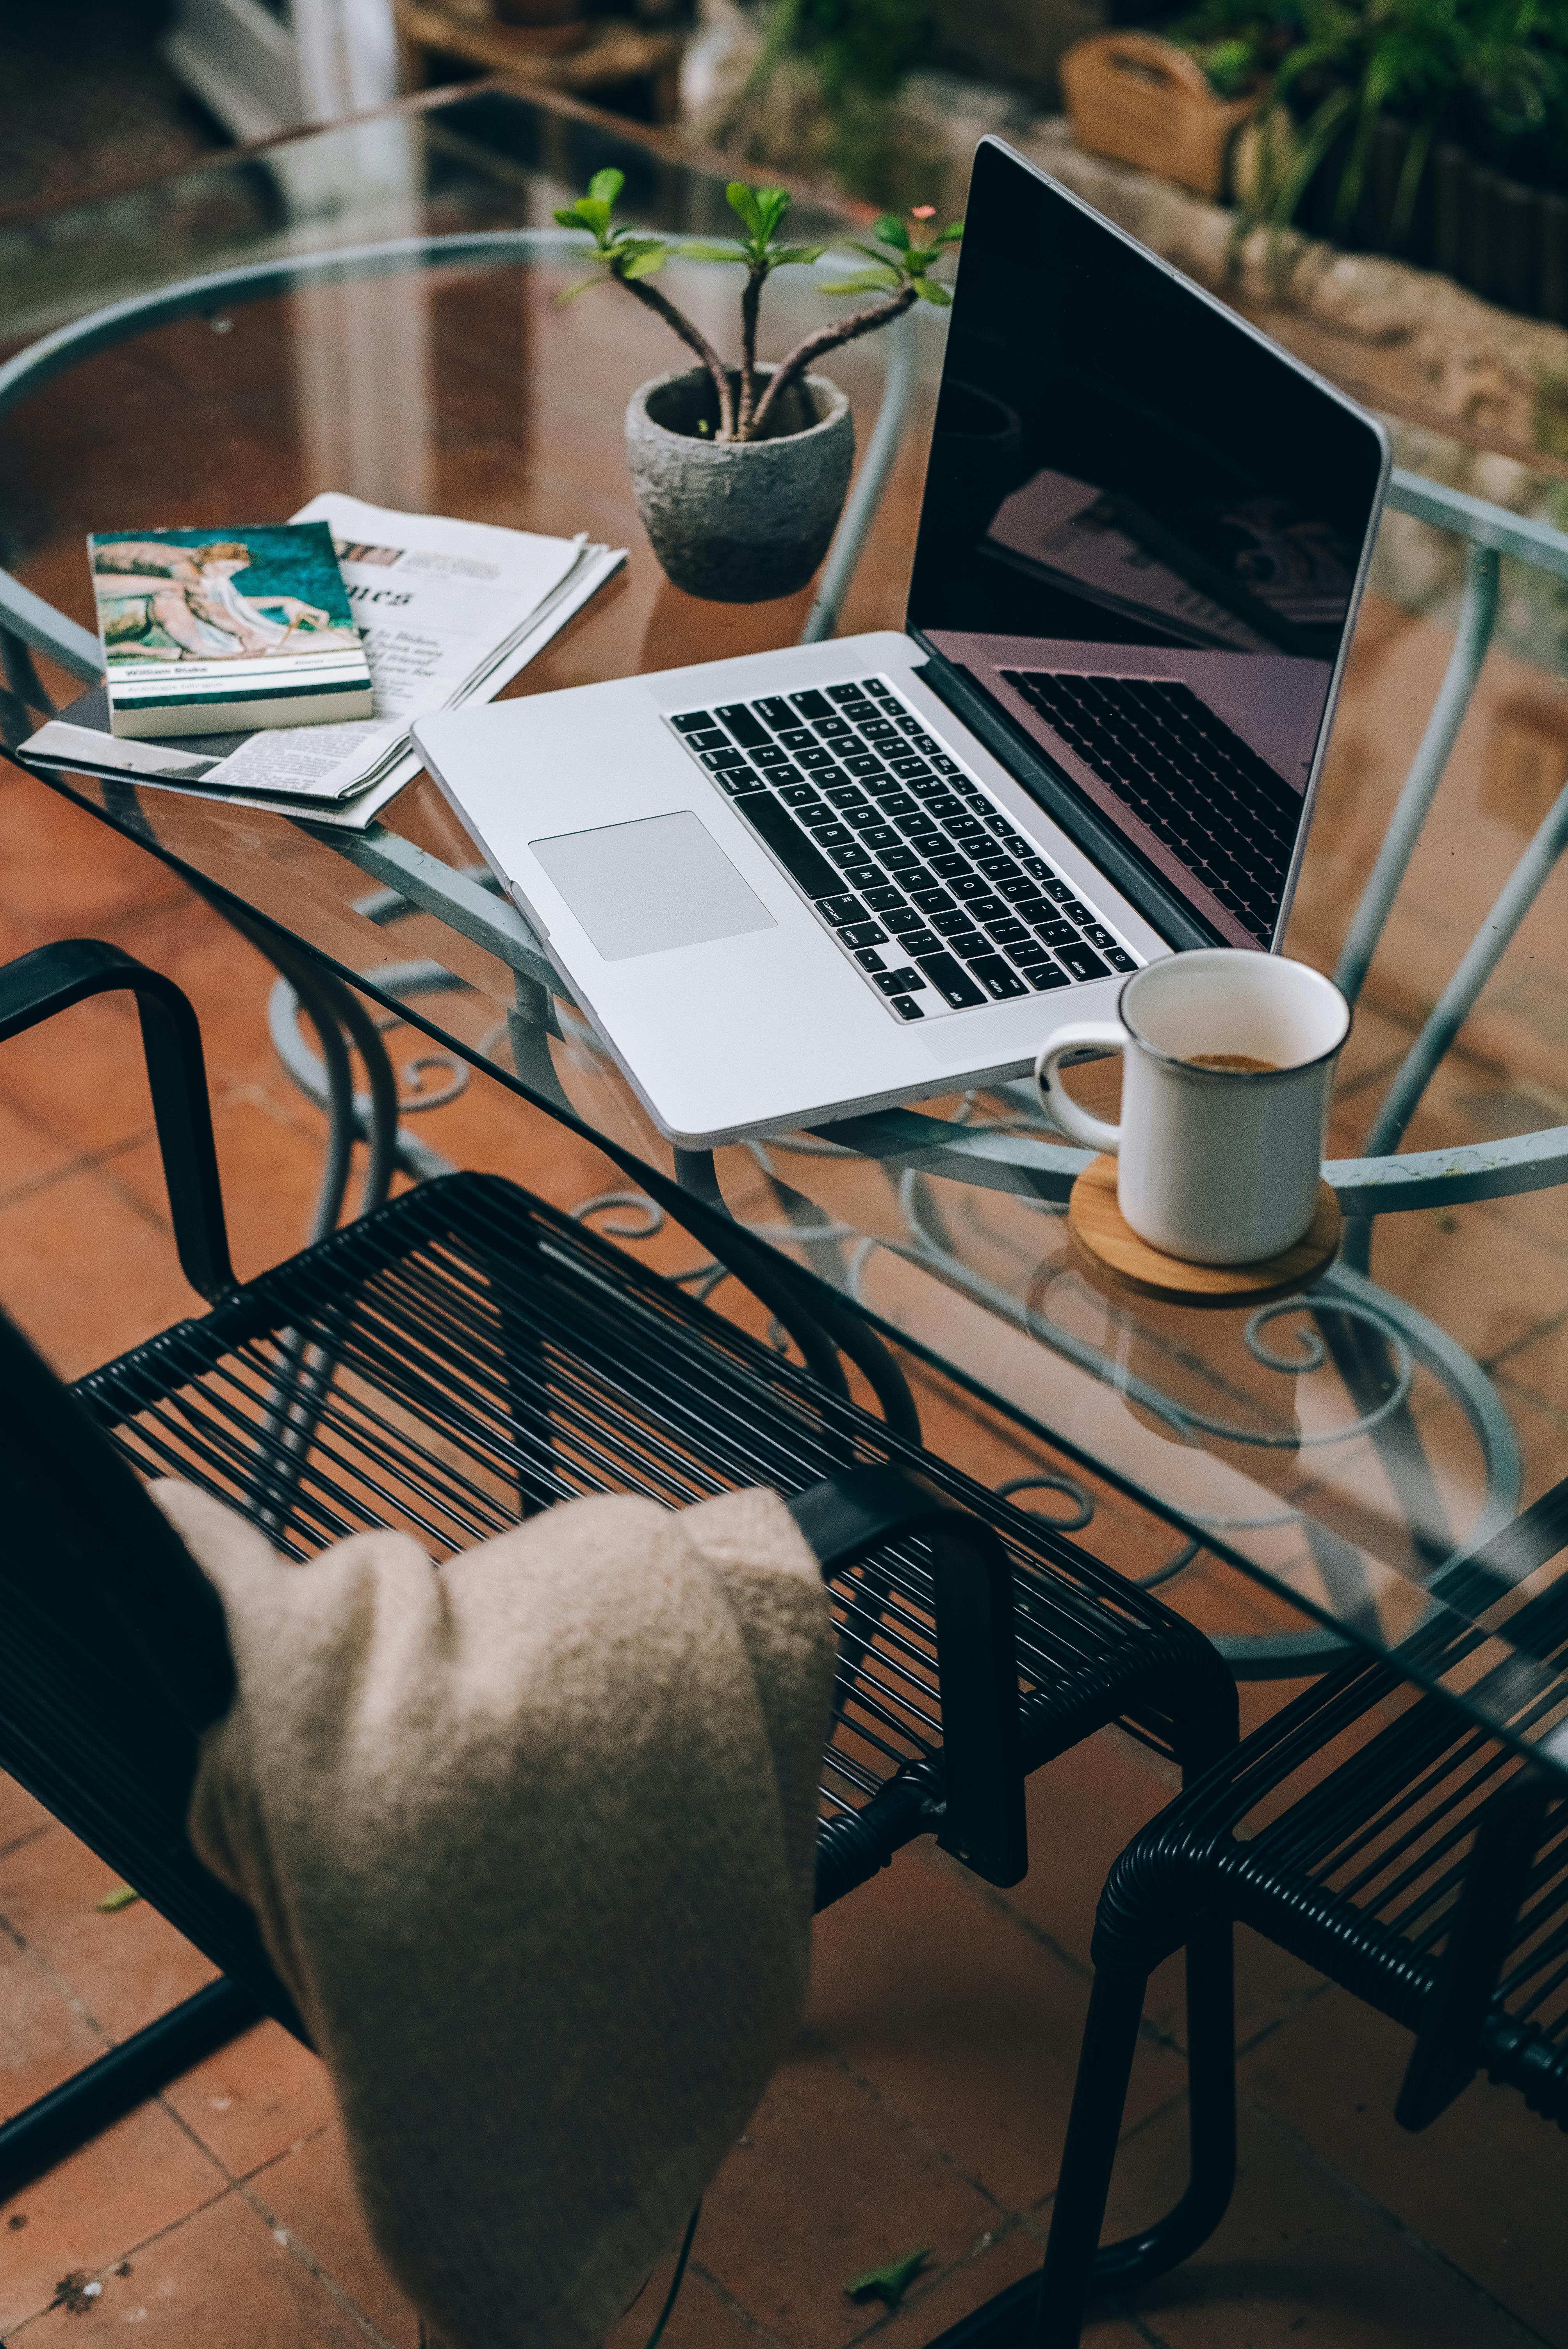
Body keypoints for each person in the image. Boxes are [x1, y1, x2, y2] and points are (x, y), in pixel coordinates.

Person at [93, 539, 355, 661]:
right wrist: (246, 634)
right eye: (228, 568)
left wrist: (287, 600)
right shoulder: (181, 568)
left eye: (234, 572)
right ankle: (202, 652)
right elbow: (205, 607)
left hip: (111, 577)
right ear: (215, 556)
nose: (227, 575)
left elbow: (233, 605)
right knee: (171, 590)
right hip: (92, 578)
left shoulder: (198, 562)